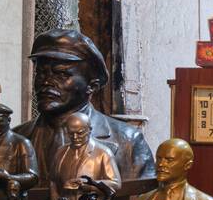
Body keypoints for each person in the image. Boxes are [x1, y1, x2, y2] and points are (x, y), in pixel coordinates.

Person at [14, 29, 154, 182]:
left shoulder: (128, 142)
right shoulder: (14, 140)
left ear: (91, 86)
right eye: (40, 73)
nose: (46, 82)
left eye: (61, 74)